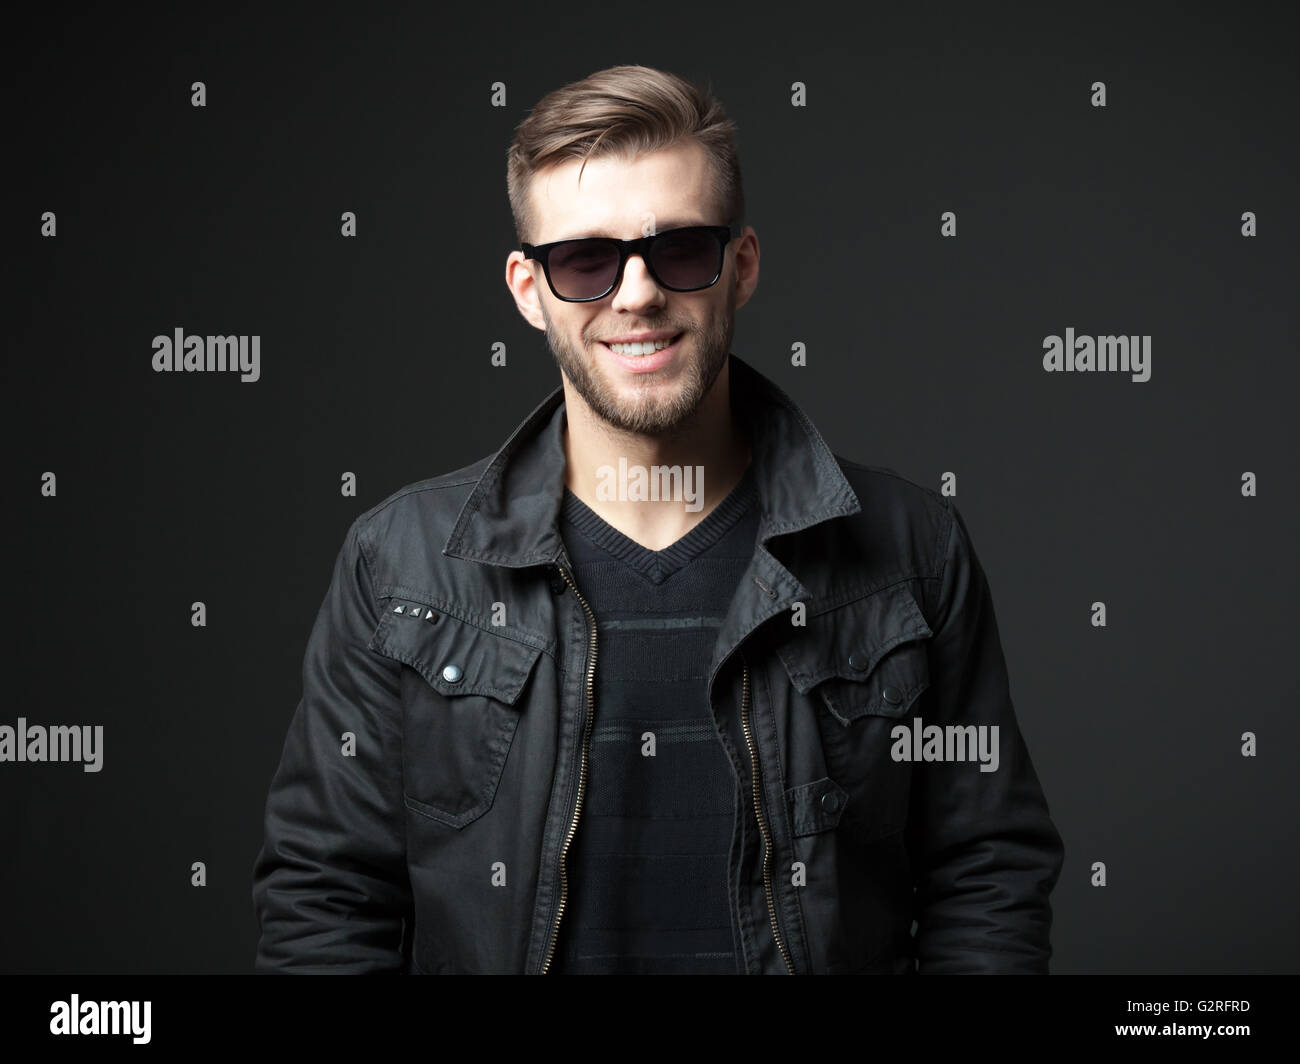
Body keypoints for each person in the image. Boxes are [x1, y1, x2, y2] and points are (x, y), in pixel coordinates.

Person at [251, 64, 1064, 974]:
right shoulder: (399, 565)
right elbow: (326, 899)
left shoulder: (910, 550)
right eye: (586, 260)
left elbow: (985, 874)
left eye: (678, 250)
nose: (635, 294)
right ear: (528, 289)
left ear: (741, 266)